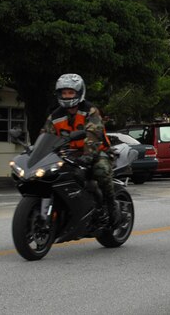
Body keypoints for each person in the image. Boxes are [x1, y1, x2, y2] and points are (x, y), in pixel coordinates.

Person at [43, 73, 120, 226]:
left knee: (101, 170)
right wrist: (35, 151)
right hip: (70, 154)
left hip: (97, 152)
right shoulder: (55, 115)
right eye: (63, 93)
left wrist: (87, 156)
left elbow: (93, 135)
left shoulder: (90, 111)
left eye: (70, 92)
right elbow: (45, 136)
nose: (66, 96)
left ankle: (111, 205)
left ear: (79, 93)